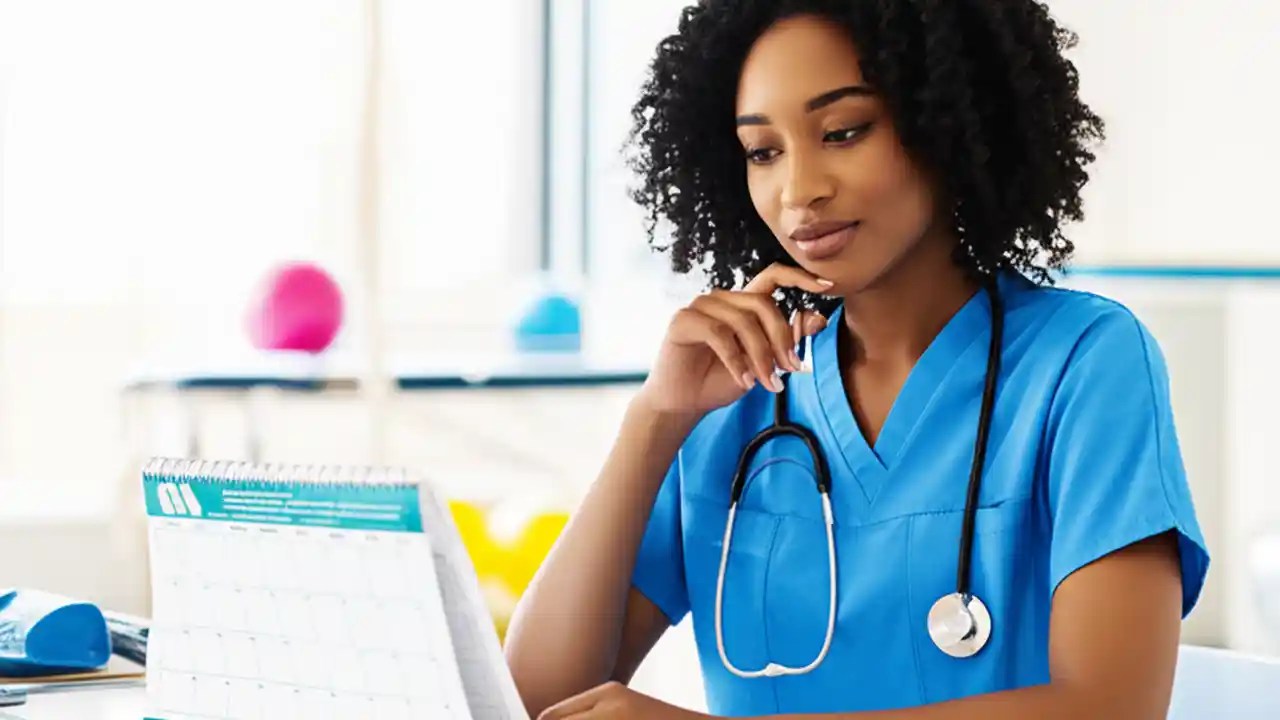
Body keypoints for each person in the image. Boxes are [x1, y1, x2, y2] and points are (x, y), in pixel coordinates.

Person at [504, 1, 1210, 718]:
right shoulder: (734, 396)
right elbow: (534, 700)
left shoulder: (1083, 364)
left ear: (947, 124)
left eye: (843, 132)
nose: (798, 190)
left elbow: (1111, 707)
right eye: (762, 151)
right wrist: (653, 421)